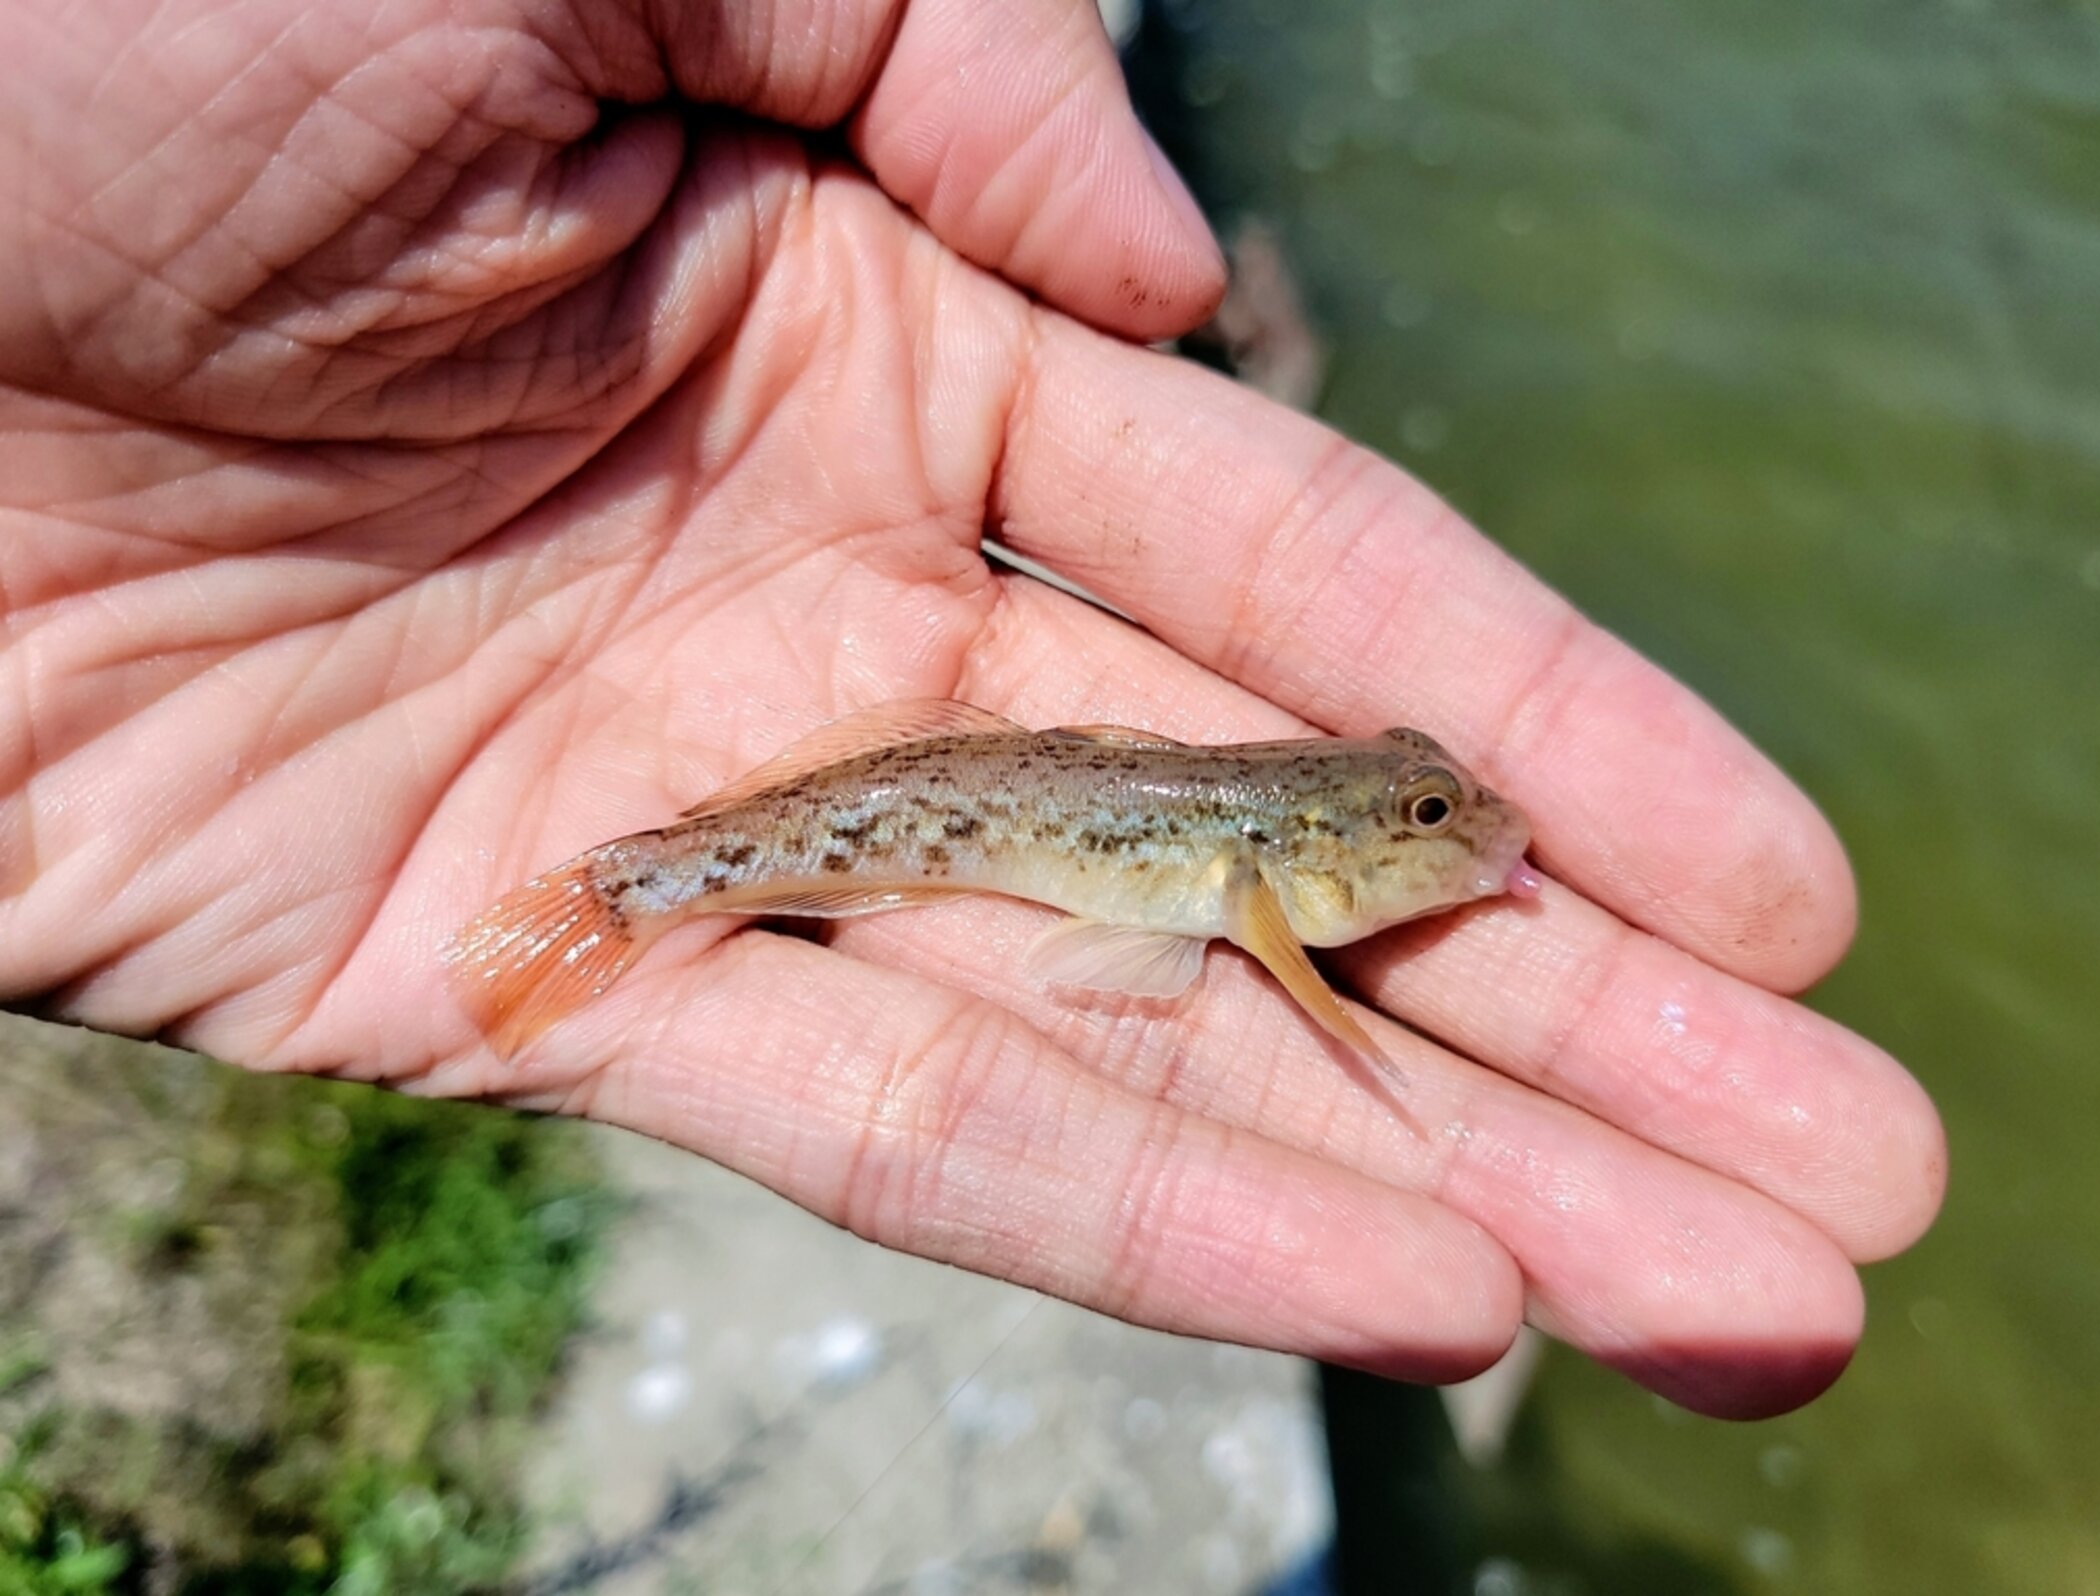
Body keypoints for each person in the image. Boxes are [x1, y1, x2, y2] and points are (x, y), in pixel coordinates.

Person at [0, 0, 1941, 1418]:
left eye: (1429, 812)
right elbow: (1255, 951)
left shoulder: (1285, 846)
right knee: (820, 858)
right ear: (1325, 847)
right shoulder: (1263, 873)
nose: (1459, 826)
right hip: (957, 810)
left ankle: (637, 893)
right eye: (1426, 818)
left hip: (1002, 806)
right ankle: (624, 899)